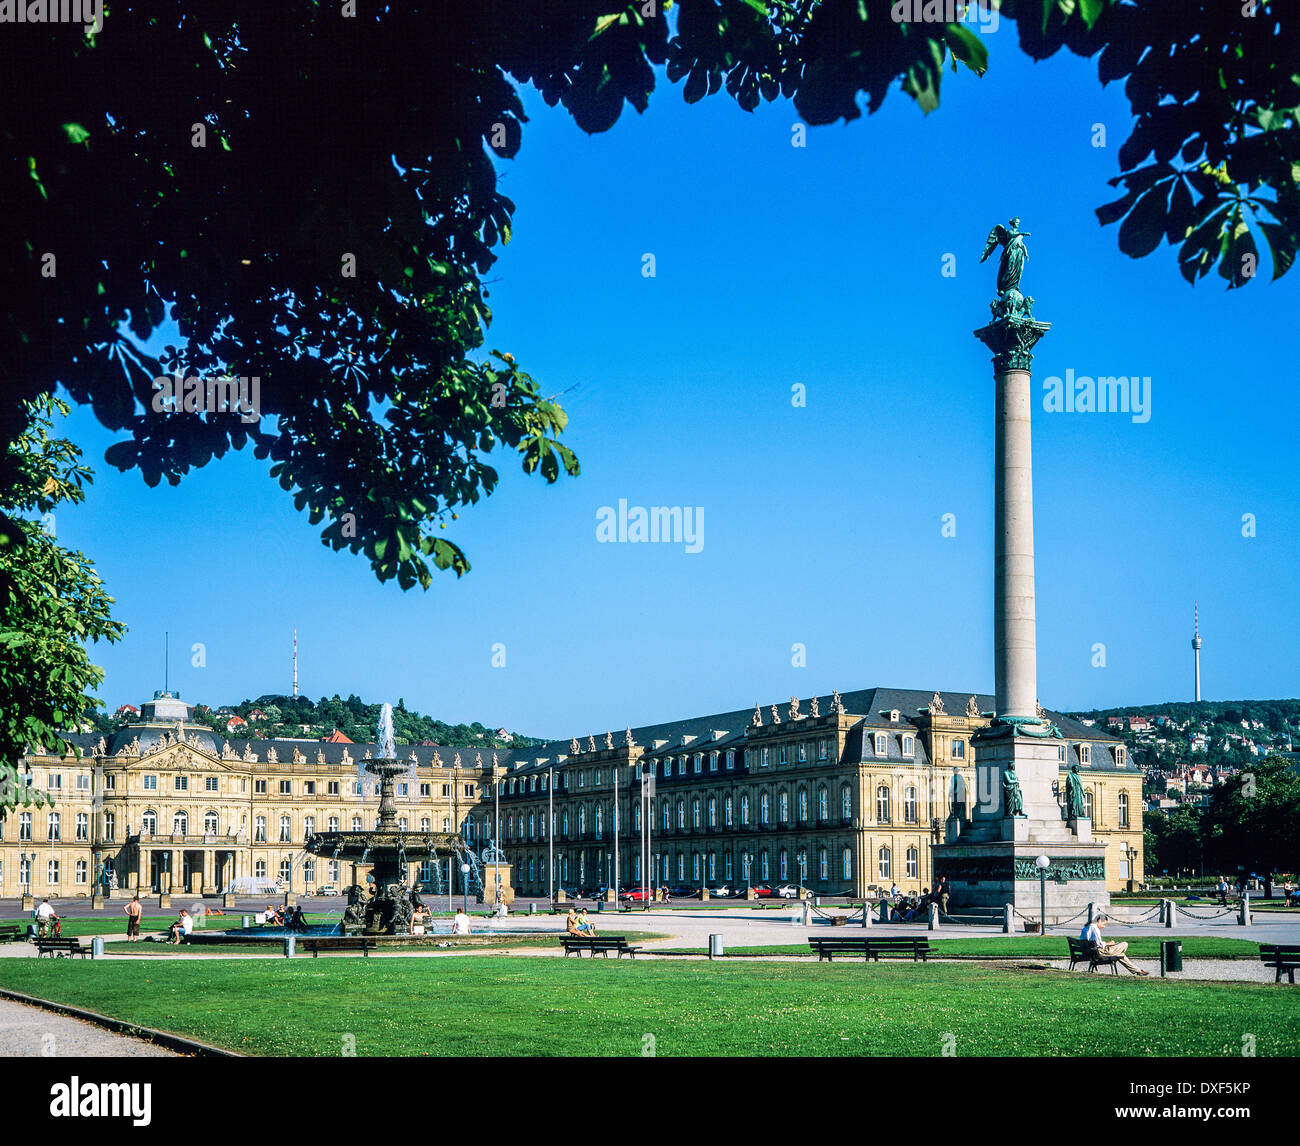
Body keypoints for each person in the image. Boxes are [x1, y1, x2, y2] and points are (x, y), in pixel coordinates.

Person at [1080, 915, 1147, 976]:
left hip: (1091, 952)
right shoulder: (1095, 929)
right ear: (1099, 920)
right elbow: (1099, 944)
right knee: (1124, 944)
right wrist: (1109, 943)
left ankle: (1138, 971)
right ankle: (1138, 971)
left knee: (1120, 954)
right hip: (1099, 952)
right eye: (1104, 924)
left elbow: (1091, 942)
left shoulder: (1086, 927)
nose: (1104, 926)